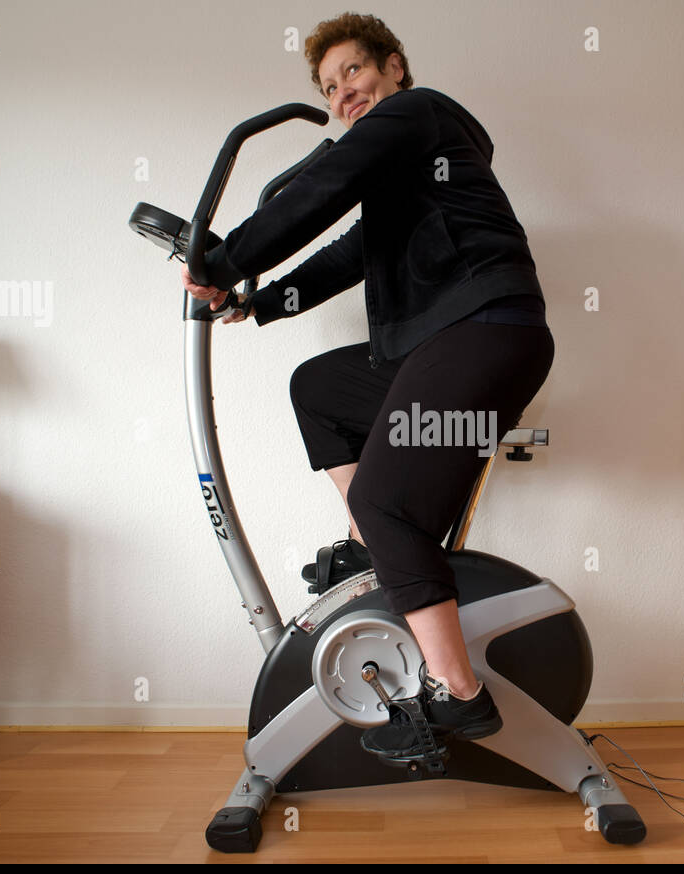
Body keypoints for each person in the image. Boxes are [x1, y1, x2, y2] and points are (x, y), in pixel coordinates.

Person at [180, 12, 553, 763]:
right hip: (433, 343)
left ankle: (459, 695)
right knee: (318, 385)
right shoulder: (404, 179)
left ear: (393, 68)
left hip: (486, 326)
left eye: (352, 71)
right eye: (328, 85)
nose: (343, 91)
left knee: (388, 498)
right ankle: (375, 546)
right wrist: (257, 299)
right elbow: (348, 252)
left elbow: (328, 181)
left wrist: (222, 259)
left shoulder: (418, 114)